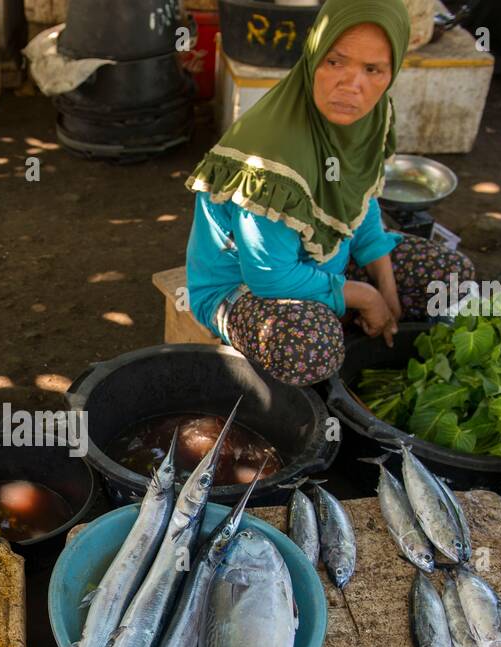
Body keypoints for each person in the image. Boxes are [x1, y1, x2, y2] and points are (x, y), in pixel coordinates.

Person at [183, 0, 476, 387]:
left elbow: (362, 206)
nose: (351, 85)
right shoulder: (272, 154)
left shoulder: (369, 117)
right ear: (313, 57)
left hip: (327, 258)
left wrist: (388, 294)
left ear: (391, 73)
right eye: (335, 62)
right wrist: (365, 297)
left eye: (372, 69)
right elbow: (269, 277)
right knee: (313, 349)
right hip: (243, 286)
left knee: (453, 277)